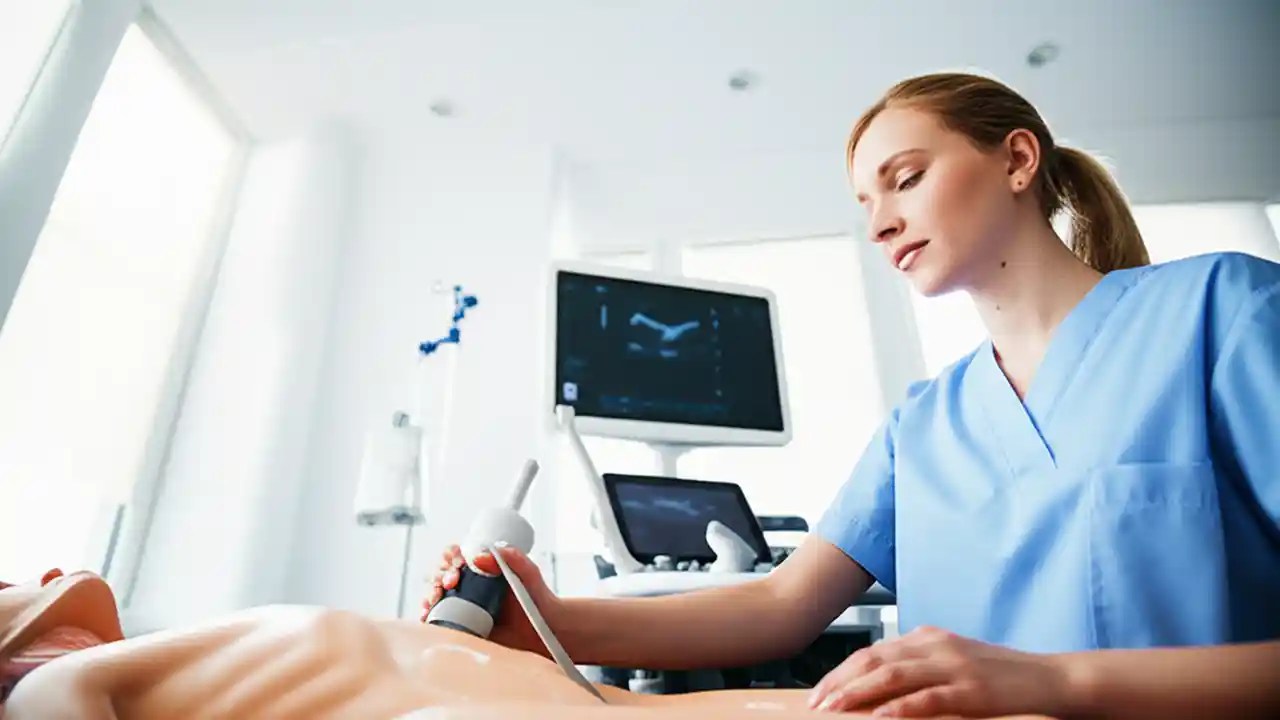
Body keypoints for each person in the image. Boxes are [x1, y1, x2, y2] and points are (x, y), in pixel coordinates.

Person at [424, 71, 1280, 718]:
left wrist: (1049, 681)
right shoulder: (926, 425)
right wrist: (546, 618)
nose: (878, 222)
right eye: (865, 202)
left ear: (1018, 159)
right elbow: (778, 607)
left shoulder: (1224, 314)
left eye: (904, 179)